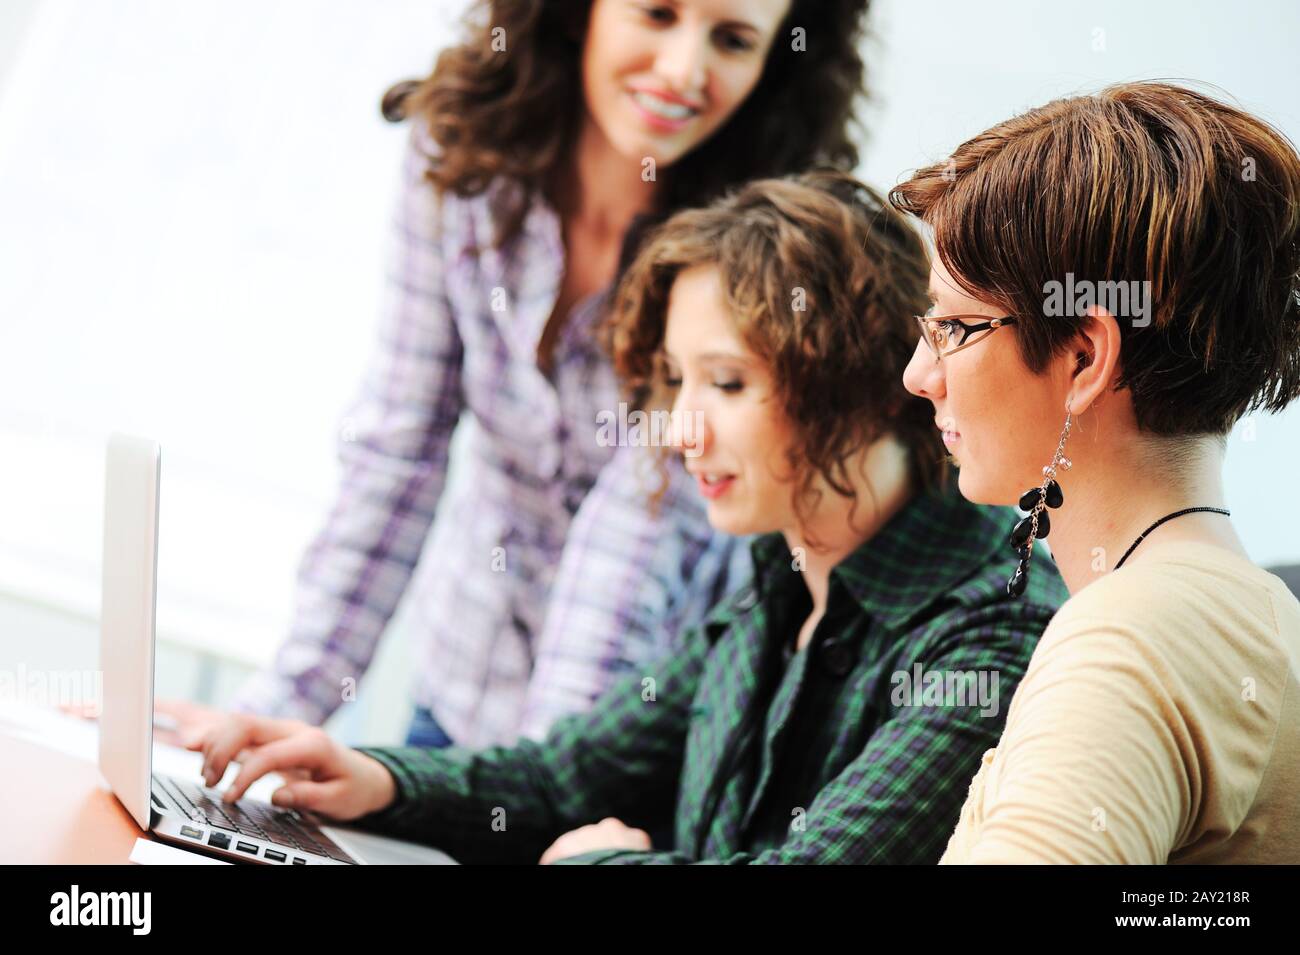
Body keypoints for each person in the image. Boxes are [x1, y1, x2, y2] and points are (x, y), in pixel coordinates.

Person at [186, 172, 1068, 864]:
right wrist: (371, 774)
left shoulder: (989, 632)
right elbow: (563, 773)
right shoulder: (779, 580)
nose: (681, 428)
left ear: (861, 382)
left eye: (726, 383)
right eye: (676, 380)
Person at [160, 0, 880, 749]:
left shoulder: (758, 255)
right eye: (657, 13)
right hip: (462, 683)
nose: (683, 71)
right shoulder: (462, 162)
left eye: (732, 40)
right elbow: (399, 444)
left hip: (632, 735)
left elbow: (639, 525)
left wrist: (541, 785)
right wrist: (282, 702)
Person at [894, 81, 1300, 863]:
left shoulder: (1127, 640)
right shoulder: (1264, 615)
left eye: (952, 326)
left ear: (1084, 357)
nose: (919, 373)